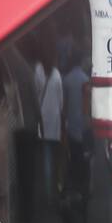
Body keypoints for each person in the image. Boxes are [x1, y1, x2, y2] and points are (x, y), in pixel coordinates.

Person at [34, 46, 64, 205]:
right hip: (55, 121)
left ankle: (46, 193)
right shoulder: (57, 74)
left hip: (42, 119)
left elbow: (35, 92)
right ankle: (54, 188)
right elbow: (61, 103)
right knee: (54, 156)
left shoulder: (38, 71)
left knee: (45, 156)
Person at [61, 45, 92, 198]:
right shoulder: (86, 80)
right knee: (83, 158)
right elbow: (87, 106)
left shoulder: (66, 80)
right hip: (83, 125)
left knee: (72, 157)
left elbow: (64, 106)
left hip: (71, 125)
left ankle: (73, 187)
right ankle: (83, 187)